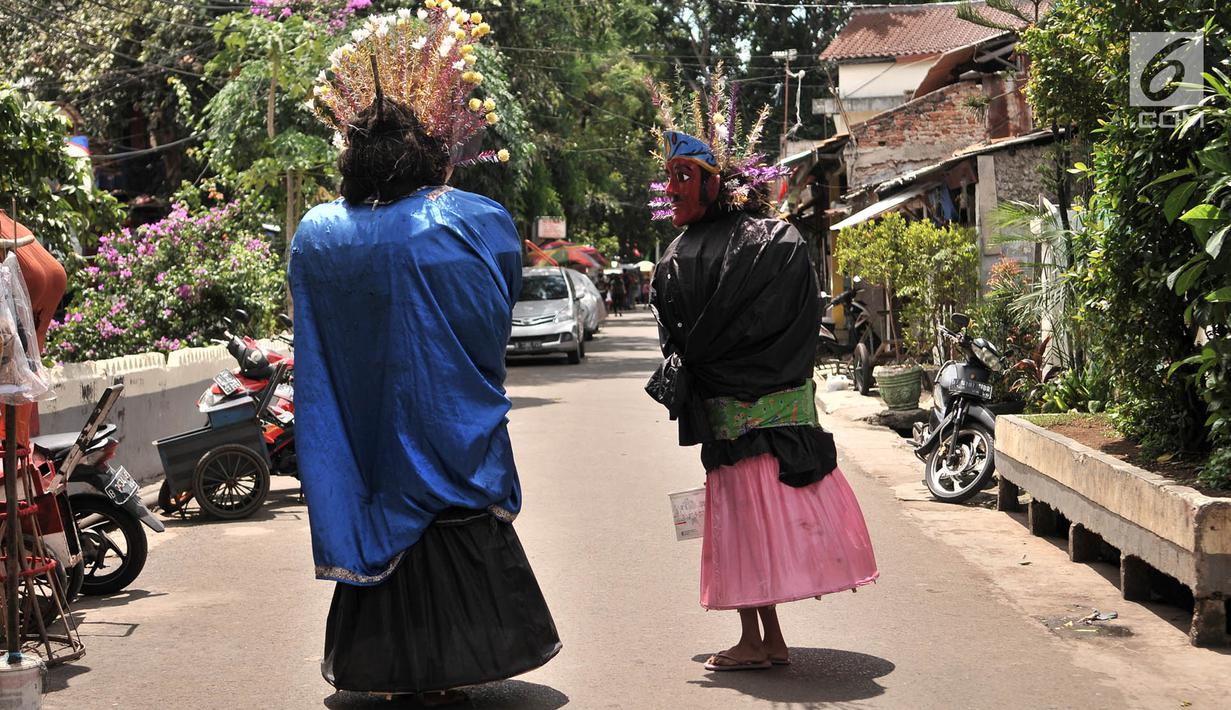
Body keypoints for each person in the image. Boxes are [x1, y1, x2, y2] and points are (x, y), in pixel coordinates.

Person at [290, 7, 559, 704]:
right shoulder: (474, 220)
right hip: (448, 416)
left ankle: (394, 671)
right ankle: (447, 669)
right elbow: (495, 310)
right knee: (451, 529)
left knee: (390, 520)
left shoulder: (318, 233)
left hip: (365, 432)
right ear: (431, 156)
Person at [646, 67, 878, 671]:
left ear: (714, 183)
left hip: (731, 421)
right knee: (752, 524)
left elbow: (678, 344)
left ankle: (760, 639)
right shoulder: (775, 241)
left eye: (682, 177)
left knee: (744, 529)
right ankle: (766, 636)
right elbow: (805, 328)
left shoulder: (679, 259)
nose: (670, 190)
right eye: (669, 177)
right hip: (780, 414)